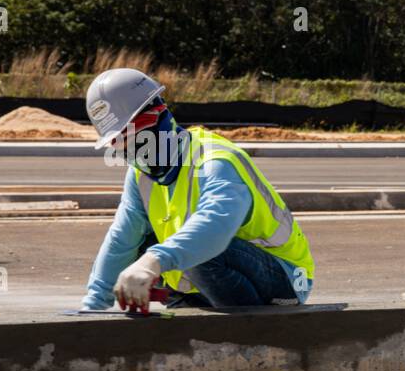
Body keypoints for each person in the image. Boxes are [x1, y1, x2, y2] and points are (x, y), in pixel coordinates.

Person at [80, 68, 315, 312]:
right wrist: (93, 305)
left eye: (131, 137)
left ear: (158, 119)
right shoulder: (141, 177)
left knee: (198, 252)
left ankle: (243, 334)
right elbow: (122, 239)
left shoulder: (215, 159)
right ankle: (187, 306)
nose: (127, 150)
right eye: (118, 143)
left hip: (285, 279)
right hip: (215, 280)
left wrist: (152, 262)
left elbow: (215, 225)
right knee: (143, 244)